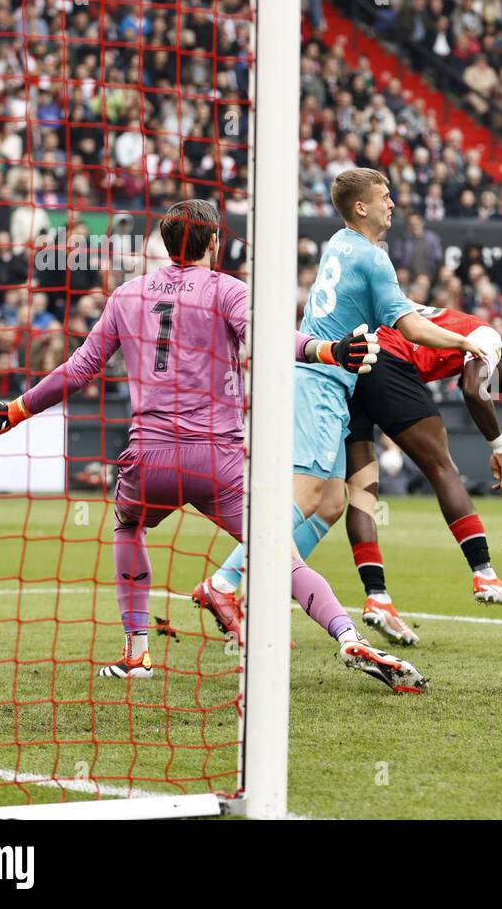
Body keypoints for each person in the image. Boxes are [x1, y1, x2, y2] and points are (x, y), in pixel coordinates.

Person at [0, 199, 426, 691]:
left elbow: (79, 370)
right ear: (214, 242)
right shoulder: (226, 289)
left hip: (149, 458)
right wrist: (326, 349)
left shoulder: (128, 294)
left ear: (164, 243)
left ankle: (137, 653)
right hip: (218, 463)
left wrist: (13, 411)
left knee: (128, 527)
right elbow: (269, 339)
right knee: (277, 553)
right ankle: (347, 635)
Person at [197, 170, 486, 630]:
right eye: (384, 197)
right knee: (305, 494)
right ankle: (225, 583)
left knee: (331, 501)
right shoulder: (373, 258)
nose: (392, 204)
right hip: (322, 382)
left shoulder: (339, 242)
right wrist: (463, 343)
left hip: (323, 377)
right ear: (361, 208)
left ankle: (260, 581)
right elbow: (410, 328)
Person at [344, 304, 502, 646]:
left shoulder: (453, 323)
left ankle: (378, 596)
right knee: (444, 468)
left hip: (355, 357)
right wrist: (499, 447)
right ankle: (484, 573)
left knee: (361, 491)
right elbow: (474, 392)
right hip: (388, 358)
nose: (499, 384)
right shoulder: (489, 336)